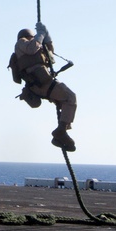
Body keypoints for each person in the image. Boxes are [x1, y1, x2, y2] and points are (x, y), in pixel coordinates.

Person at [9, 23, 77, 151]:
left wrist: (47, 35)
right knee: (70, 97)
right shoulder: (21, 43)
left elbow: (50, 53)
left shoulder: (33, 48)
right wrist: (40, 33)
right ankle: (60, 132)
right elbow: (32, 48)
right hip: (41, 83)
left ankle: (60, 135)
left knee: (66, 102)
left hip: (41, 84)